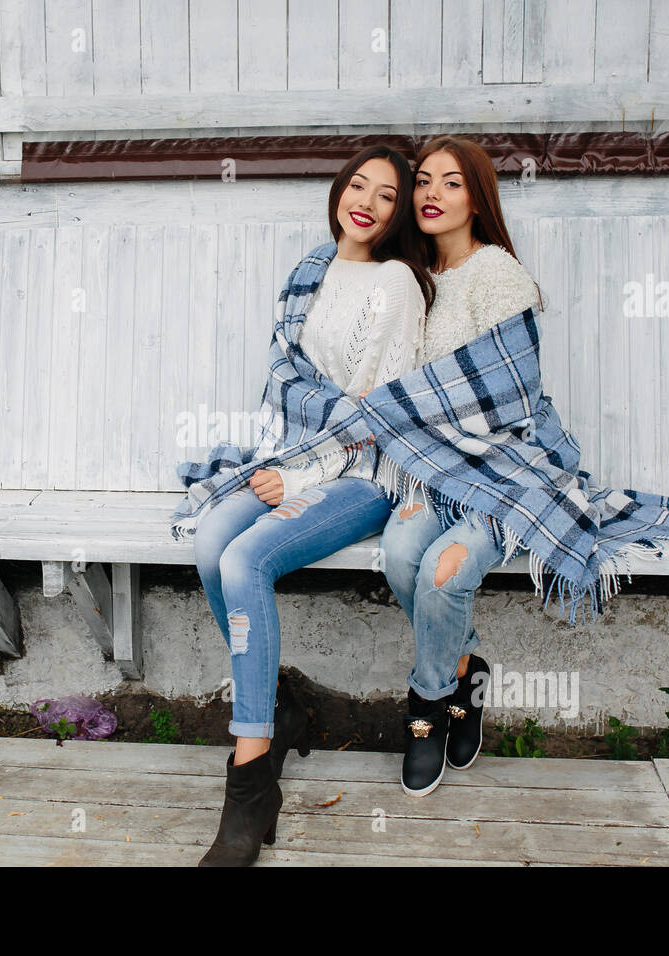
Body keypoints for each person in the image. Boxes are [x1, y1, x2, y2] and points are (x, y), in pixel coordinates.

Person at [180, 144, 433, 866]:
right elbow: (289, 386)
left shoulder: (395, 284)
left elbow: (378, 417)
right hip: (290, 457)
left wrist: (294, 483)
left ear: (398, 215)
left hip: (364, 477)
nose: (366, 203)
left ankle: (250, 781)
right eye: (358, 185)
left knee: (245, 559)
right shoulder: (310, 272)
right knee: (211, 543)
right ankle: (278, 707)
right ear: (339, 190)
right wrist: (280, 467)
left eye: (386, 195)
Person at [380, 135, 542, 797]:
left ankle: (426, 709)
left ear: (477, 199)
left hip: (498, 471)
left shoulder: (496, 273)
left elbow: (515, 390)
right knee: (400, 558)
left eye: (451, 183)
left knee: (443, 571)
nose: (431, 194)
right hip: (427, 471)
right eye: (423, 181)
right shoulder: (413, 277)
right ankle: (465, 669)